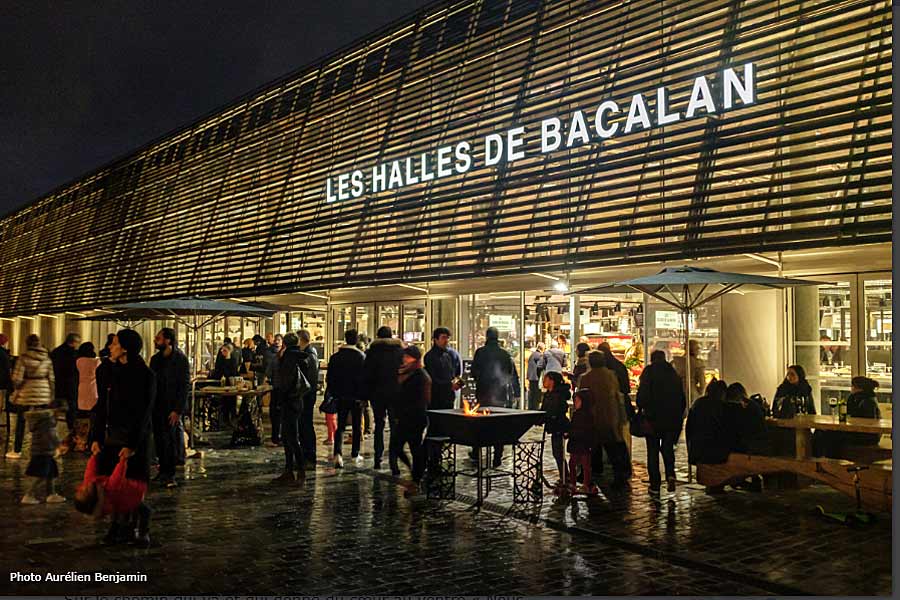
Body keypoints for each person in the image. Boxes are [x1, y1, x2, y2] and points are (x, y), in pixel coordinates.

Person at [89, 329, 155, 545]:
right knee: (113, 485)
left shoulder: (145, 375)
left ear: (125, 348)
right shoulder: (107, 371)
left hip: (134, 438)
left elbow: (144, 412)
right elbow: (100, 406)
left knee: (132, 486)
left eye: (115, 343)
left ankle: (141, 524)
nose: (110, 347)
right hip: (112, 436)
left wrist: (133, 443)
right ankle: (118, 527)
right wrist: (96, 437)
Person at [74, 451, 151, 547]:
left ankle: (121, 534)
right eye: (84, 492)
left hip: (125, 498)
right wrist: (123, 459)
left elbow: (90, 470)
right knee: (143, 511)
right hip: (134, 494)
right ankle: (141, 534)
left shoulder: (91, 483)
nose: (82, 488)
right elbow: (118, 475)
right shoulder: (108, 487)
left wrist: (94, 456)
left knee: (123, 516)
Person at [636, 350, 686, 495]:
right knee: (667, 447)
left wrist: (642, 407)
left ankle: (655, 483)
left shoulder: (649, 372)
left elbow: (643, 396)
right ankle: (670, 474)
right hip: (671, 419)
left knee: (652, 450)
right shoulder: (673, 374)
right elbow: (681, 398)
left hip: (653, 418)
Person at [471, 327, 519, 467]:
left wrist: (480, 379)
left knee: (480, 422)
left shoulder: (480, 352)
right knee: (498, 424)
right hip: (500, 393)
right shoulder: (504, 353)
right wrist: (515, 392)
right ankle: (497, 455)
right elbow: (510, 373)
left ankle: (477, 451)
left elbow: (474, 371)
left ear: (486, 337)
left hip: (483, 392)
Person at [578, 351, 627, 487]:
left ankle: (590, 474)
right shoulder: (611, 376)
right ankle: (619, 476)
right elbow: (618, 396)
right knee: (612, 448)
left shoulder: (586, 378)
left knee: (591, 447)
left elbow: (582, 397)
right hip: (610, 416)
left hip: (593, 417)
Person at [149, 328, 190, 489]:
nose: (155, 340)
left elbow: (184, 385)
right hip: (157, 405)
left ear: (168, 340)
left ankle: (170, 474)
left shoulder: (180, 359)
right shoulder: (155, 359)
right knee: (159, 440)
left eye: (158, 338)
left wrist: (178, 410)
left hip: (171, 406)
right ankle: (163, 471)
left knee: (170, 440)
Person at [363, 326, 404, 471]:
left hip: (377, 394)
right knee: (394, 426)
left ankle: (377, 458)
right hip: (396, 394)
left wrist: (366, 395)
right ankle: (393, 461)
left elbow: (367, 375)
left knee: (379, 425)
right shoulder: (400, 352)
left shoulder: (371, 353)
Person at [393, 345, 432, 497]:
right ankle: (414, 475)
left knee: (415, 450)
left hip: (415, 418)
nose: (404, 358)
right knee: (398, 447)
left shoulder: (420, 375)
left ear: (414, 358)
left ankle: (416, 481)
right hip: (404, 417)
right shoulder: (406, 373)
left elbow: (422, 399)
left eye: (407, 356)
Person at [7, 334, 54, 459]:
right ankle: (45, 450)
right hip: (43, 394)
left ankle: (17, 450)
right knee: (43, 423)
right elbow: (52, 379)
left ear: (27, 344)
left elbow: (17, 379)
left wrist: (17, 388)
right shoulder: (47, 359)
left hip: (26, 394)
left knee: (21, 423)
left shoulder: (23, 358)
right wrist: (49, 394)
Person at [813, 376, 882, 458]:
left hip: (866, 436)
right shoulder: (858, 398)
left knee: (828, 436)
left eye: (852, 386)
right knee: (821, 432)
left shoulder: (868, 401)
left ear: (858, 388)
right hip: (859, 432)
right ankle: (821, 461)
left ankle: (828, 462)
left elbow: (862, 421)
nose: (851, 388)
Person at [272, 333, 308, 484]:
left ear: (285, 344)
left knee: (290, 437)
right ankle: (292, 470)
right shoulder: (302, 357)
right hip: (297, 400)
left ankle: (298, 471)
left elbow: (284, 383)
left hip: (289, 402)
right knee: (290, 436)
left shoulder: (288, 358)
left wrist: (280, 399)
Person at [327, 329, 366, 468]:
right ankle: (355, 454)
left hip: (340, 396)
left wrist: (334, 393)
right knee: (356, 426)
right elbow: (364, 379)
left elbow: (329, 378)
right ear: (356, 340)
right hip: (356, 397)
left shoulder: (336, 357)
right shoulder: (361, 357)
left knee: (341, 426)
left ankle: (338, 453)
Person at [685, 379, 731, 494]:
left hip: (698, 448)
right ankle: (717, 484)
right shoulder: (722, 407)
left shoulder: (698, 404)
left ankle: (711, 483)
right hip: (716, 450)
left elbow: (689, 428)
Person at [722, 382, 767, 492]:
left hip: (746, 445)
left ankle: (738, 479)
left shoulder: (733, 408)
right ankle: (746, 479)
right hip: (757, 442)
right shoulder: (751, 405)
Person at [599, 341, 634, 478]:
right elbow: (626, 388)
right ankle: (622, 467)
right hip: (620, 406)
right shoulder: (619, 366)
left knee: (610, 439)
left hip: (607, 408)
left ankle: (616, 468)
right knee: (619, 438)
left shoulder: (603, 371)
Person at [20, 408, 65, 504]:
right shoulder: (48, 420)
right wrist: (58, 445)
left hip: (42, 450)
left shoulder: (42, 419)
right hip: (44, 451)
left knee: (50, 473)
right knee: (42, 475)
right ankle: (29, 494)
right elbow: (51, 435)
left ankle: (51, 494)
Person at [423, 327, 462, 434]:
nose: (446, 340)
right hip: (436, 397)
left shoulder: (452, 354)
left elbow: (457, 373)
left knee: (447, 426)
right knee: (435, 427)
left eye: (448, 338)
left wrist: (457, 382)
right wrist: (448, 385)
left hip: (449, 396)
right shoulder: (430, 356)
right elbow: (432, 378)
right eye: (443, 338)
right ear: (435, 339)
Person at [50, 332, 81, 451]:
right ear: (73, 342)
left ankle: (52, 431)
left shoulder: (56, 351)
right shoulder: (74, 354)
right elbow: (75, 370)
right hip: (70, 385)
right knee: (71, 409)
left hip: (59, 385)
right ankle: (71, 430)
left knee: (57, 408)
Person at [540, 371, 571, 490]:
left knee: (558, 452)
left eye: (546, 379)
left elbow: (555, 410)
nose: (544, 381)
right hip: (553, 426)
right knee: (557, 452)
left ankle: (565, 476)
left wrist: (547, 417)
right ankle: (564, 475)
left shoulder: (557, 395)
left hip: (559, 426)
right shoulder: (549, 394)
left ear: (552, 381)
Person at [567, 388, 597, 495]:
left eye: (578, 401)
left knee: (585, 465)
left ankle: (586, 484)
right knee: (573, 463)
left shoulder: (586, 415)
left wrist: (571, 433)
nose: (575, 403)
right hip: (577, 443)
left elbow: (583, 430)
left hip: (583, 444)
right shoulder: (577, 414)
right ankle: (573, 483)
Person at [297, 330, 319, 467]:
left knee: (306, 425)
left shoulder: (308, 355)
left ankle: (309, 456)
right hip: (307, 395)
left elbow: (307, 378)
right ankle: (306, 455)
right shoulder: (310, 353)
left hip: (307, 396)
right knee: (304, 425)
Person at [75, 342, 100, 453]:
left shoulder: (79, 361)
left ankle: (80, 442)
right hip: (93, 390)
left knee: (82, 417)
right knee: (93, 418)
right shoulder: (96, 362)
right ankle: (91, 441)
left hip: (82, 390)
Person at [265, 336, 286, 447]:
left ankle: (275, 438)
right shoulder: (291, 359)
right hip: (287, 391)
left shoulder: (274, 358)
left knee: (275, 415)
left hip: (276, 389)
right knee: (285, 415)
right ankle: (284, 437)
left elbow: (268, 373)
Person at [526, 342, 546, 410]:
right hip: (535, 377)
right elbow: (540, 366)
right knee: (536, 395)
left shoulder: (533, 354)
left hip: (531, 377)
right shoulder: (539, 355)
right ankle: (534, 408)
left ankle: (530, 408)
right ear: (542, 348)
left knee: (531, 394)